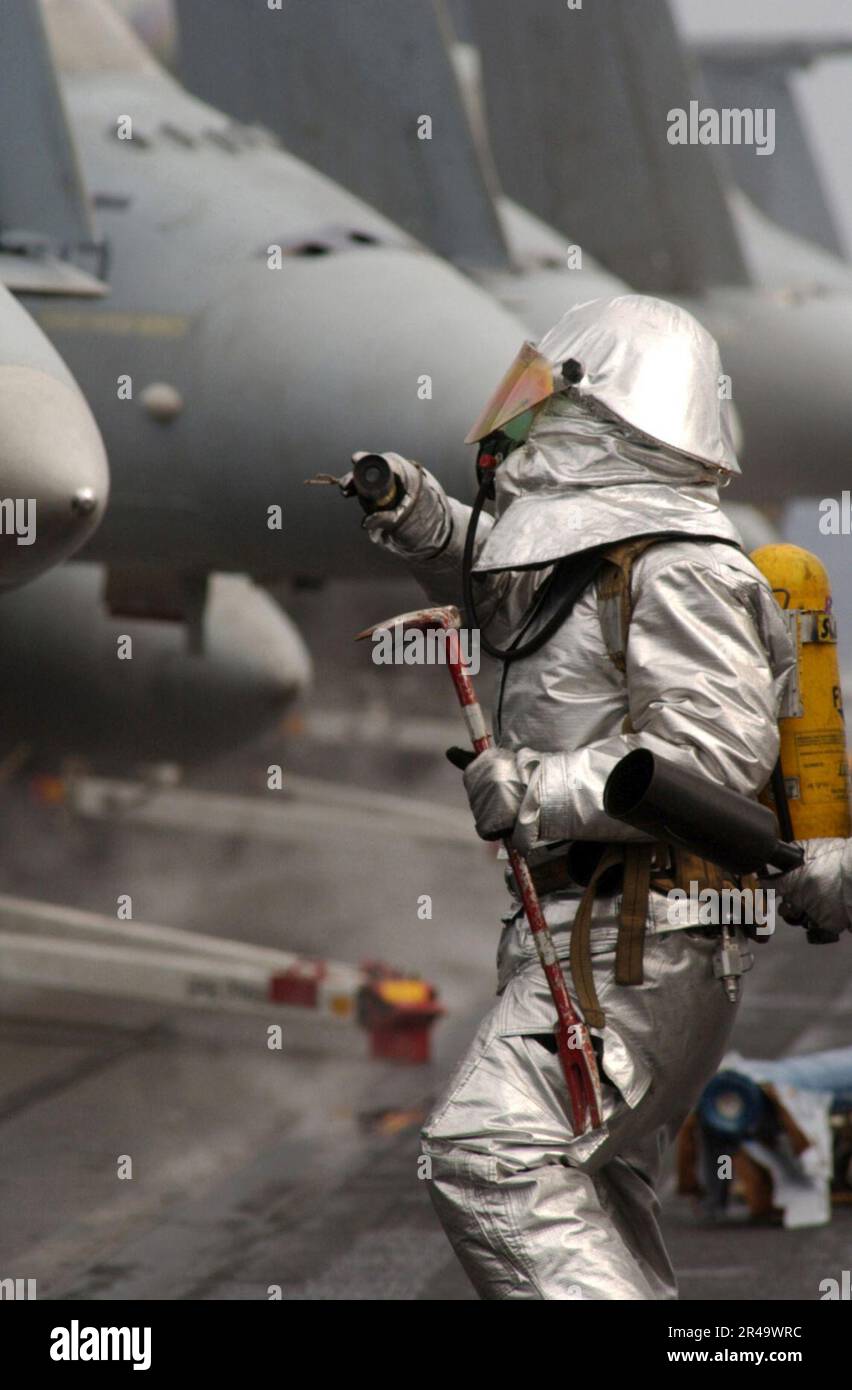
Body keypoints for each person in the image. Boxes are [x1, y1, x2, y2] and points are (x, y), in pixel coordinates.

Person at [354, 295, 794, 1299]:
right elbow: (523, 587)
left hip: (643, 935)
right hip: (593, 927)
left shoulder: (682, 568)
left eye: (541, 396)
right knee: (586, 1195)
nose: (516, 420)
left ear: (604, 408)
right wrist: (422, 517)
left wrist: (545, 785)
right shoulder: (603, 556)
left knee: (490, 1153)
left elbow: (714, 754)